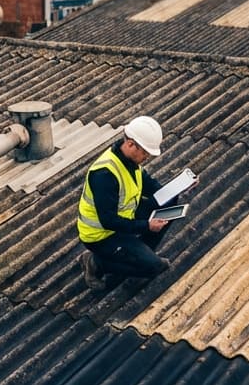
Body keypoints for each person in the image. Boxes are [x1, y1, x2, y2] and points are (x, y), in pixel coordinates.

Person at [76, 115, 178, 290]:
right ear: (130, 144)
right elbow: (108, 221)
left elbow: (150, 186)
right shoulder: (104, 174)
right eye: (145, 152)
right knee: (154, 267)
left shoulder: (131, 162)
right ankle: (95, 263)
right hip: (102, 235)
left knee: (171, 200)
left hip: (126, 219)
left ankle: (140, 253)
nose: (147, 157)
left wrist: (179, 187)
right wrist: (147, 226)